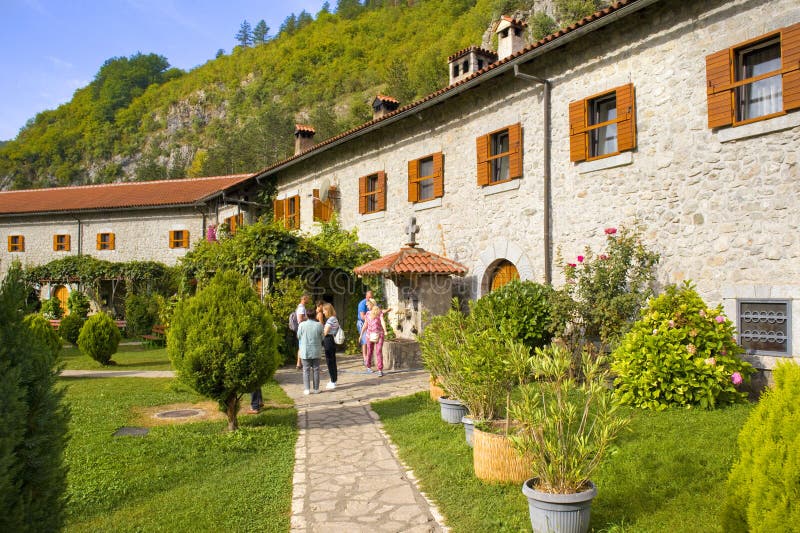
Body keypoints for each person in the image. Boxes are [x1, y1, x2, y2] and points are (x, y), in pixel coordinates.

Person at [297, 307, 324, 395]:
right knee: (316, 369)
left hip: (305, 350)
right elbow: (322, 337)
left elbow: (298, 336)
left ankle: (307, 389)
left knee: (306, 370)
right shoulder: (319, 325)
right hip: (316, 350)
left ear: (307, 315)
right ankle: (316, 389)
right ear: (315, 315)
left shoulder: (301, 325)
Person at [360, 298, 387, 377]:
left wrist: (385, 330)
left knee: (378, 351)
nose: (367, 306)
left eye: (368, 304)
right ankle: (368, 367)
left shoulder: (379, 312)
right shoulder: (367, 314)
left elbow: (382, 321)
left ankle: (380, 369)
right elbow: (365, 324)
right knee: (370, 351)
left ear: (372, 304)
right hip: (369, 335)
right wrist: (361, 334)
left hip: (379, 334)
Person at [321, 302, 340, 390]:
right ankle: (334, 379)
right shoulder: (334, 318)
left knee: (330, 361)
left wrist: (322, 331)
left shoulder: (330, 320)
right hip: (331, 339)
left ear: (328, 310)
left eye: (324, 311)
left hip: (328, 340)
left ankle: (333, 380)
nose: (323, 312)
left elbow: (325, 332)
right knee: (332, 360)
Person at [357, 290, 373, 365]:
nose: (370, 298)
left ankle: (369, 358)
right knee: (364, 340)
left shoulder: (372, 303)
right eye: (369, 297)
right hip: (362, 322)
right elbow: (362, 316)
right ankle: (365, 359)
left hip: (369, 322)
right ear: (366, 296)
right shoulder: (362, 304)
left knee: (370, 340)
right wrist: (371, 320)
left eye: (371, 297)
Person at [295, 294, 310, 370]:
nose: (309, 300)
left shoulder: (301, 307)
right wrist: (308, 317)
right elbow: (300, 319)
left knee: (301, 345)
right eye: (308, 299)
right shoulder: (301, 307)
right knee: (301, 346)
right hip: (302, 328)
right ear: (304, 299)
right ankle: (299, 363)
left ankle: (299, 363)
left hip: (302, 328)